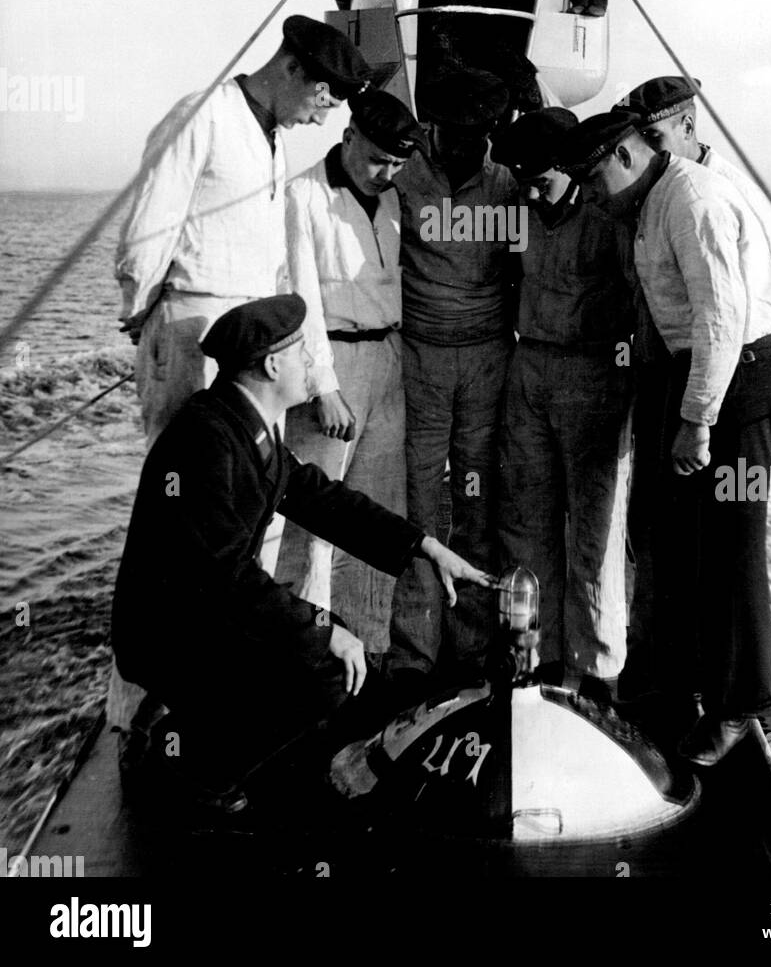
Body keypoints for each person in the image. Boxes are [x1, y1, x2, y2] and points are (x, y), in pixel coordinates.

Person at [111, 294, 493, 819]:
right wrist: (321, 631)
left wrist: (421, 546)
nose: (311, 366)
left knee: (340, 659)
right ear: (272, 366)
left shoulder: (244, 422)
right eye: (301, 355)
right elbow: (224, 576)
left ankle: (204, 727)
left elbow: (321, 499)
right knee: (327, 670)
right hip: (168, 635)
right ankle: (192, 766)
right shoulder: (206, 442)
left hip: (205, 614)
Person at [558, 111, 771, 765]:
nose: (594, 195)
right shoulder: (656, 197)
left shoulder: (691, 200)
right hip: (698, 378)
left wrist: (696, 421)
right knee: (674, 539)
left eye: (594, 178)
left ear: (625, 159)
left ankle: (740, 709)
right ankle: (681, 680)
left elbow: (723, 315)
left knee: (732, 550)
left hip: (736, 390)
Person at [115, 15, 376, 449]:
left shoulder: (274, 143)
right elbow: (148, 228)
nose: (319, 121)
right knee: (187, 474)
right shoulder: (203, 115)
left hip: (252, 342)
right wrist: (144, 316)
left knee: (247, 478)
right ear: (291, 69)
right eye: (322, 102)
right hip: (191, 331)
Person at [275, 89, 427, 659]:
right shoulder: (303, 197)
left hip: (390, 361)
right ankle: (303, 658)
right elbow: (301, 298)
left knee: (378, 518)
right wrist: (323, 386)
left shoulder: (391, 201)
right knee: (311, 526)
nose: (385, 174)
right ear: (348, 136)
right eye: (377, 160)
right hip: (332, 370)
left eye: (397, 165)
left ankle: (369, 652)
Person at [386, 67, 519, 700]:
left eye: (479, 133)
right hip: (423, 359)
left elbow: (526, 268)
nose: (468, 144)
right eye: (456, 132)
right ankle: (413, 651)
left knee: (475, 498)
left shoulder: (509, 186)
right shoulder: (405, 179)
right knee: (420, 501)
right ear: (434, 126)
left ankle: (469, 645)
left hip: (487, 361)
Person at [492, 109, 634, 704]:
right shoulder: (515, 215)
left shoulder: (607, 218)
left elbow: (637, 298)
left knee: (594, 533)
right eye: (520, 177)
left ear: (570, 168)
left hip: (592, 375)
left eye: (540, 178)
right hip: (529, 370)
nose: (527, 189)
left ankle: (599, 671)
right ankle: (539, 659)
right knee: (526, 523)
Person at [614, 75, 771, 343]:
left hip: (740, 356)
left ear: (687, 127)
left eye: (653, 137)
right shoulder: (651, 190)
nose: (647, 153)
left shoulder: (734, 193)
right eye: (638, 143)